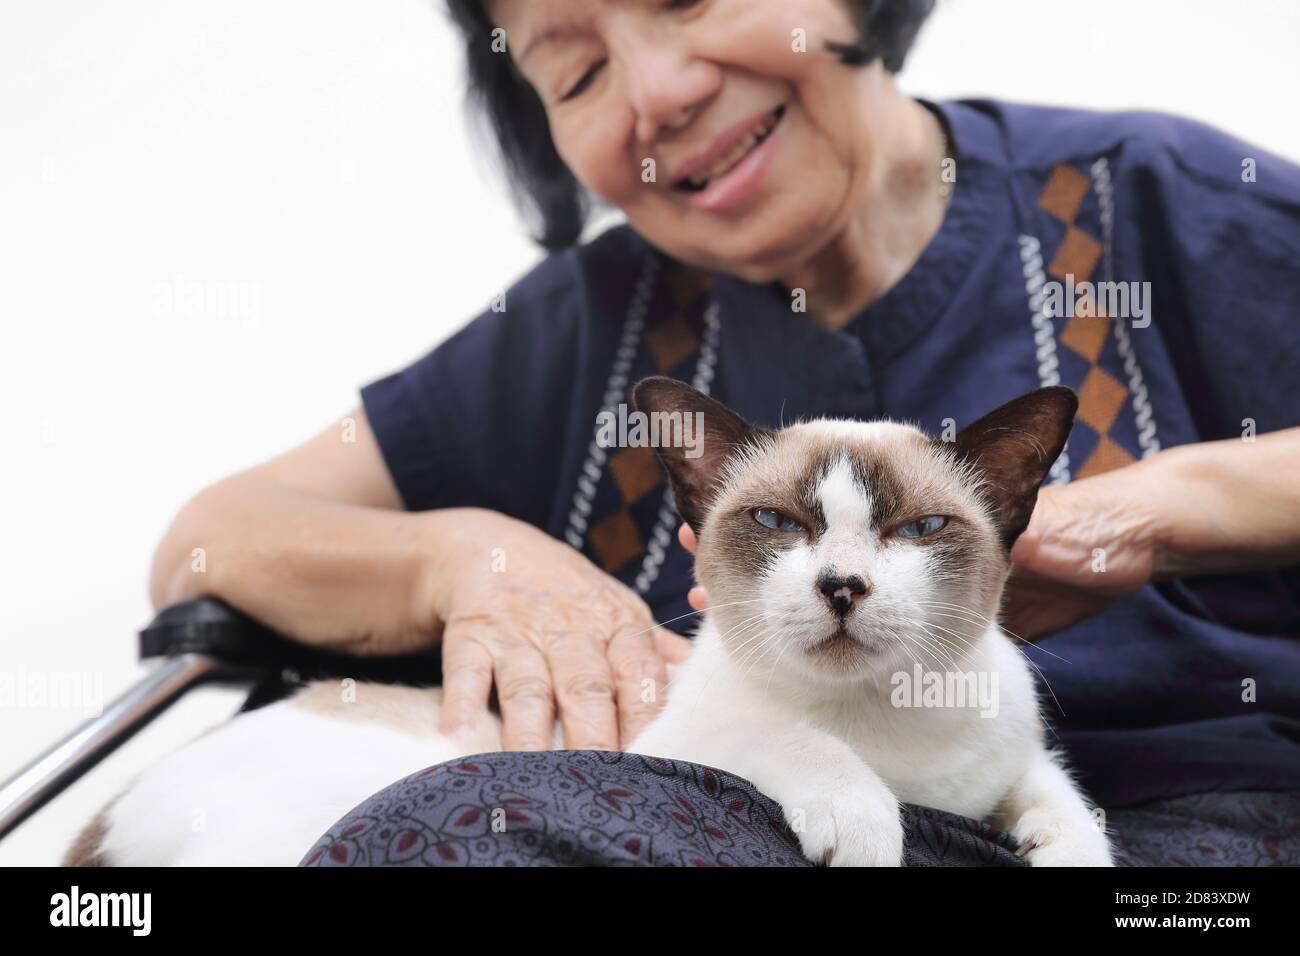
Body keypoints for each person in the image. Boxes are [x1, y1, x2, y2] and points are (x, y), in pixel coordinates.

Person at [154, 0, 1300, 865]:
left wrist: (1161, 505)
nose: (654, 92)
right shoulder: (580, 328)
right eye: (579, 69)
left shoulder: (1160, 200)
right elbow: (210, 542)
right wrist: (468, 560)